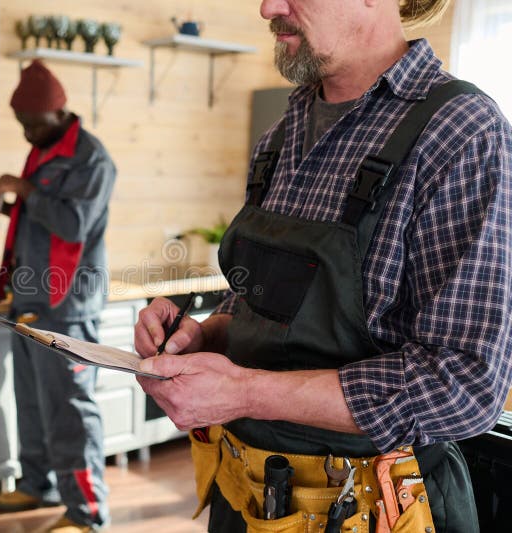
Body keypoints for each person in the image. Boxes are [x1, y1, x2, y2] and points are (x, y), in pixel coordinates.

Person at [135, 1, 512, 532]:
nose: (268, 7)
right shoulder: (279, 138)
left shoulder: (461, 133)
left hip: (376, 509)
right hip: (245, 496)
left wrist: (244, 391)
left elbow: (465, 386)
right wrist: (206, 335)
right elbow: (261, 308)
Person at [0, 60, 115, 533]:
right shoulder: (45, 149)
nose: (27, 134)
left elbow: (74, 224)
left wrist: (25, 191)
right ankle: (39, 485)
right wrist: (7, 206)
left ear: (61, 113)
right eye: (22, 125)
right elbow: (43, 218)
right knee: (33, 403)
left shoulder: (91, 159)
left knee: (70, 412)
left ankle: (87, 514)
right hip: (30, 297)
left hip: (68, 306)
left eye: (33, 125)